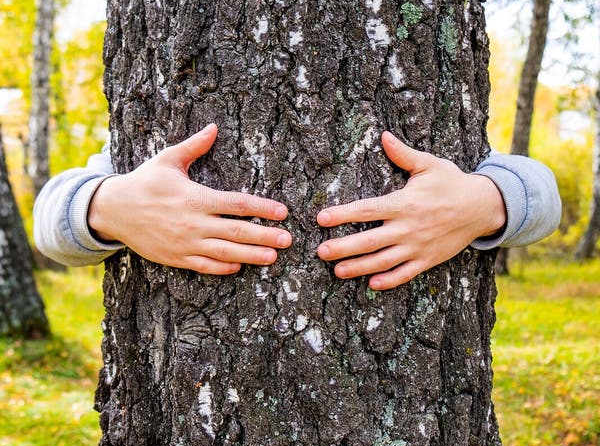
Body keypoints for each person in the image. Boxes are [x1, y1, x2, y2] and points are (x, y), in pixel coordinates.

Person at [33, 122, 561, 290]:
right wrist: (110, 206)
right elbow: (49, 221)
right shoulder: (139, 146)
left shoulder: (449, 142)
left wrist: (484, 201)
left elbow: (544, 196)